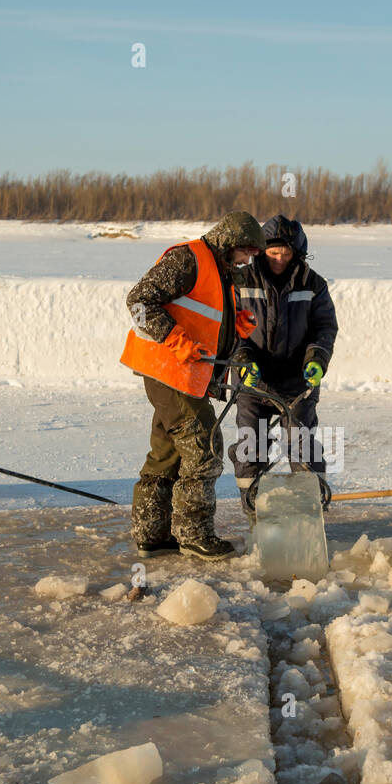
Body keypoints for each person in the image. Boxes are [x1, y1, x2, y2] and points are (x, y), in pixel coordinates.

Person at [120, 212, 263, 560]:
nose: (249, 259)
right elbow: (138, 301)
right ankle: (194, 535)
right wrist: (174, 338)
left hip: (182, 375)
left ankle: (151, 533)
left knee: (167, 453)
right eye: (247, 251)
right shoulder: (188, 258)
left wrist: (234, 326)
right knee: (204, 449)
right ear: (230, 242)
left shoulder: (223, 270)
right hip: (171, 371)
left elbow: (203, 315)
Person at [230, 214, 338, 520]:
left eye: (286, 253)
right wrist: (243, 360)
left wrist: (317, 359)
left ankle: (310, 512)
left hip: (298, 383)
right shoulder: (241, 281)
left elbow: (324, 328)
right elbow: (230, 330)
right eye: (273, 252)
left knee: (300, 444)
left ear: (298, 253)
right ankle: (255, 513)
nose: (279, 258)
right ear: (261, 250)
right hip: (253, 382)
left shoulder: (312, 283)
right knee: (251, 445)